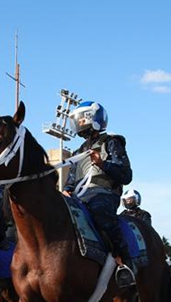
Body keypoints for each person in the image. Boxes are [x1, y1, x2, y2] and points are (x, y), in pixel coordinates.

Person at [63, 100, 135, 289]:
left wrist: (103, 164)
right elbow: (71, 179)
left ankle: (124, 263)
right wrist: (66, 190)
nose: (79, 122)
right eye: (77, 119)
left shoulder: (111, 142)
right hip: (79, 196)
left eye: (83, 117)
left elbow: (126, 175)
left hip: (104, 193)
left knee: (101, 214)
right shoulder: (79, 151)